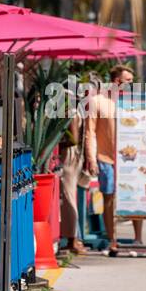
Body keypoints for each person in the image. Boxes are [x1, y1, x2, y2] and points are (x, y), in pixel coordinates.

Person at [85, 64, 144, 251]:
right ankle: (112, 239)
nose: (131, 84)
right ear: (117, 81)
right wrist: (92, 159)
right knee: (108, 198)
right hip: (106, 159)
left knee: (134, 197)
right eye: (128, 81)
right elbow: (90, 132)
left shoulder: (133, 102)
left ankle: (138, 238)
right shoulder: (97, 102)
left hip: (132, 159)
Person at [58, 105, 86, 254]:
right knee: (69, 196)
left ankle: (72, 240)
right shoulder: (75, 110)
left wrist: (54, 143)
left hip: (68, 156)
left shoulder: (70, 112)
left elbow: (73, 138)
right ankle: (73, 238)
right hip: (72, 156)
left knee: (69, 197)